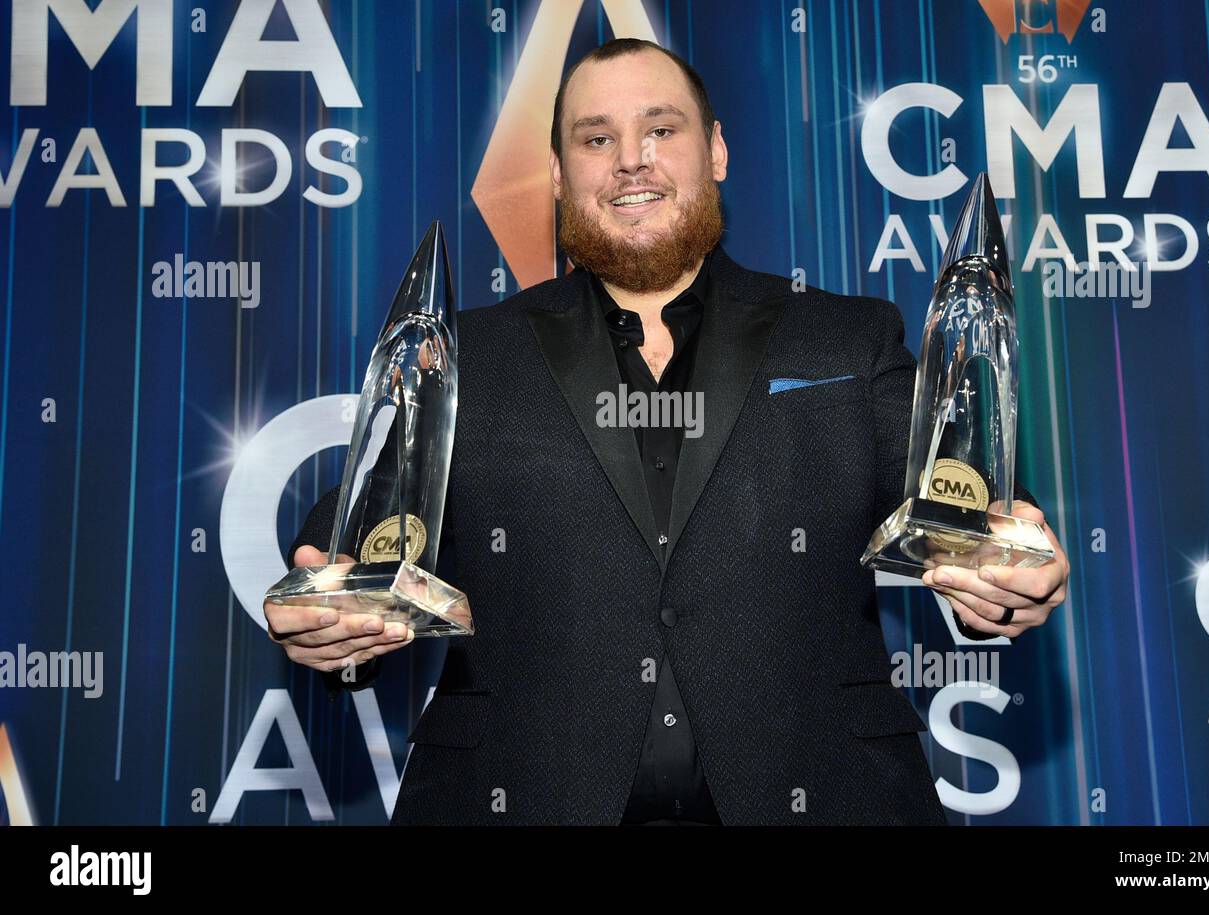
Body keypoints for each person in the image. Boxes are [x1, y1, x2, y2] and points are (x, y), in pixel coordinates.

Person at [265, 38, 1070, 825]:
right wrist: (334, 617)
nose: (630, 160)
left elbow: (966, 502)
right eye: (595, 138)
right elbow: (358, 528)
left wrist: (1004, 582)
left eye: (661, 129)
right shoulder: (467, 353)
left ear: (714, 150)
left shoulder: (845, 338)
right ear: (556, 172)